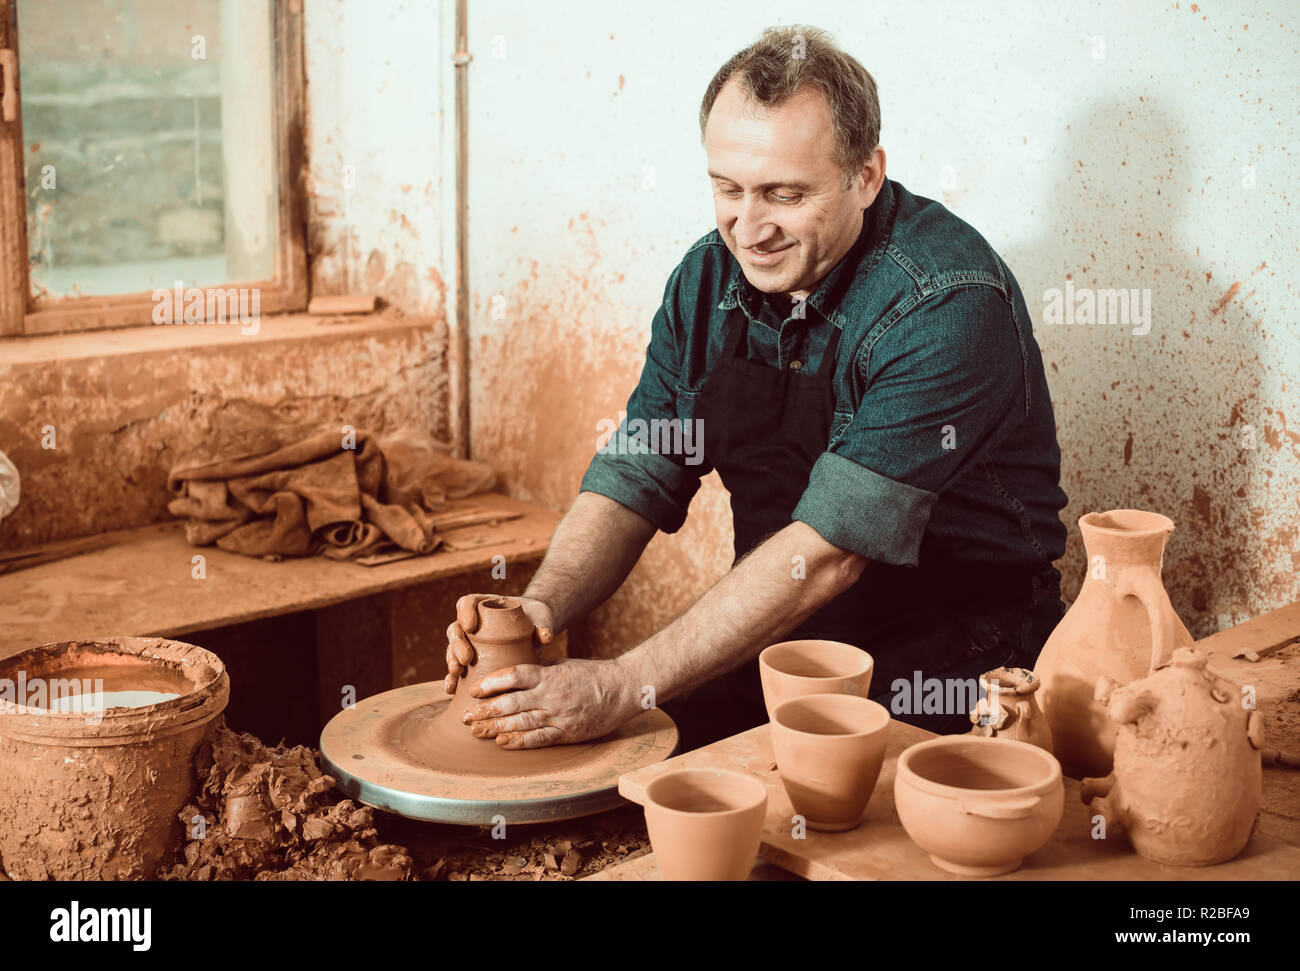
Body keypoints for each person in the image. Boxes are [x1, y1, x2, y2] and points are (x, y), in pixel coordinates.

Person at [446, 25, 1067, 752]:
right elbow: (640, 470)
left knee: (821, 834)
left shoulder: (945, 302)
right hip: (783, 626)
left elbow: (832, 550)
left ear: (865, 175)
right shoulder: (708, 279)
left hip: (953, 652)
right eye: (728, 189)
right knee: (646, 775)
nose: (750, 228)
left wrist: (620, 683)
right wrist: (538, 611)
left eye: (784, 194)